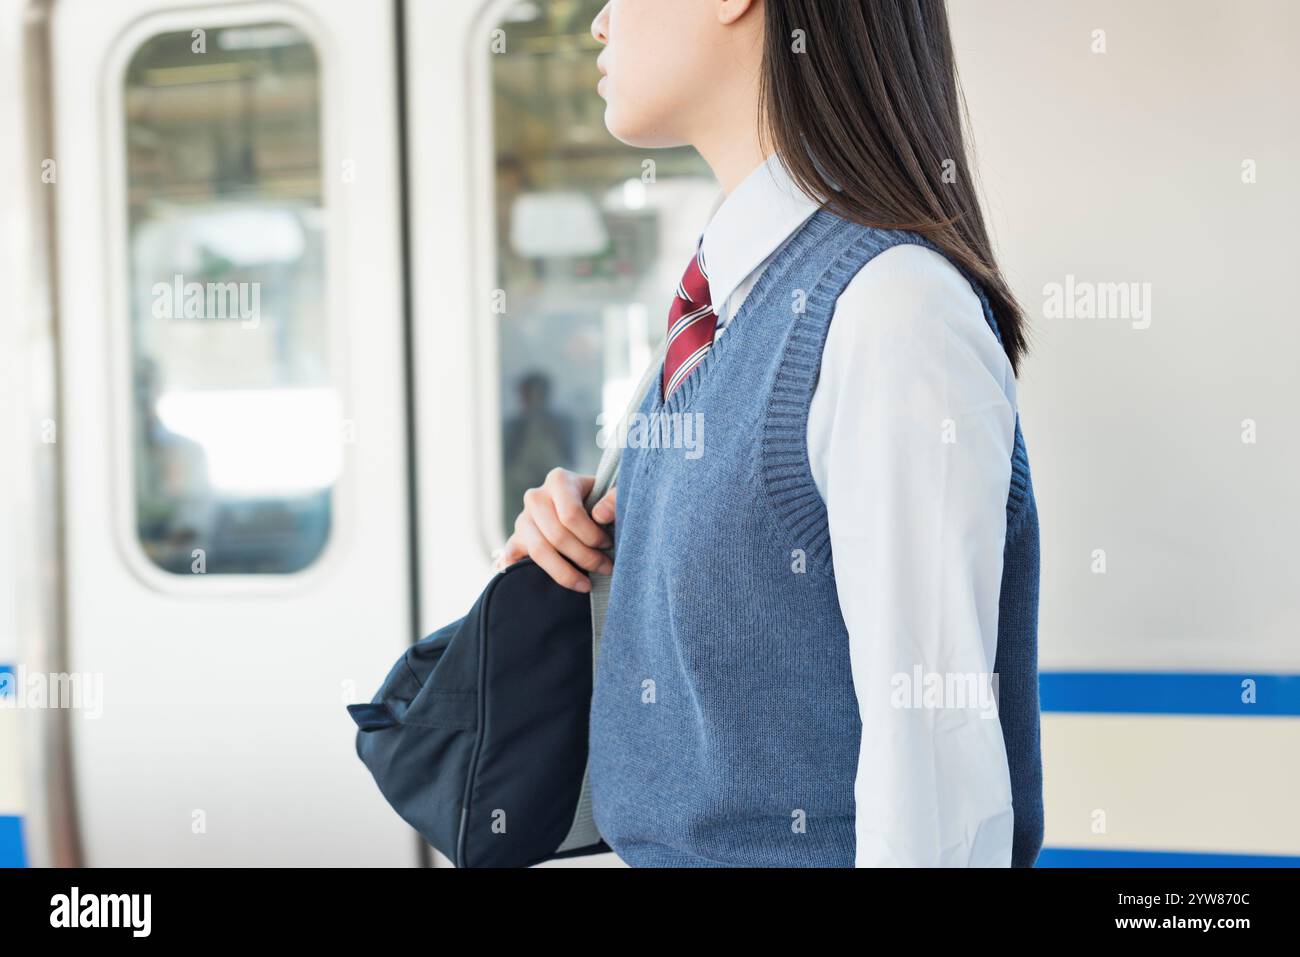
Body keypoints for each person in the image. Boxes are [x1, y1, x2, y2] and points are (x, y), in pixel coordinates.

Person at [497, 0, 1042, 867]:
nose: (599, 22)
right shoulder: (724, 304)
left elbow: (933, 802)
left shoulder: (891, 311)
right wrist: (586, 553)